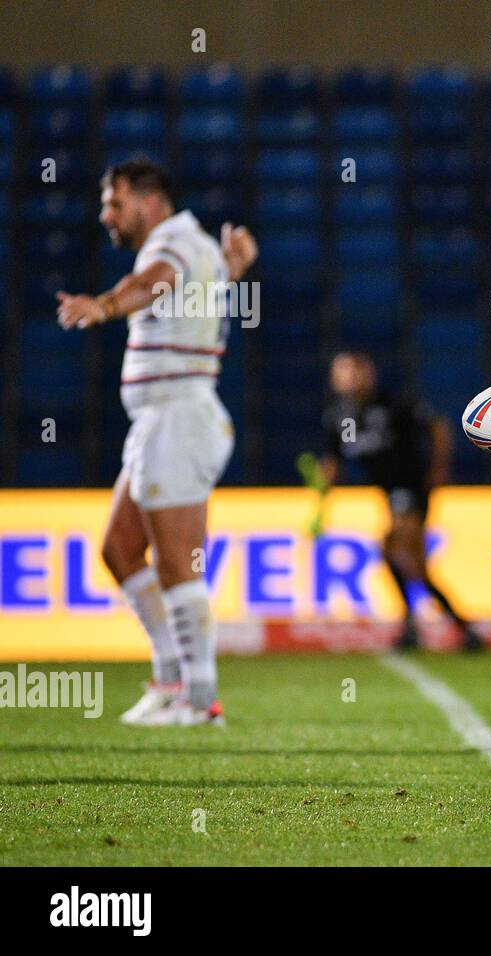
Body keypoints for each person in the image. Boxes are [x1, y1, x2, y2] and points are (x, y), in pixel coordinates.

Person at [57, 158, 258, 726]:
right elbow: (191, 290)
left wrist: (105, 305)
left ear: (148, 203)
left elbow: (157, 281)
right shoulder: (199, 247)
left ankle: (200, 699)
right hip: (162, 420)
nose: (106, 216)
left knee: (177, 566)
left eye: (114, 203)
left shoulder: (168, 246)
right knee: (118, 549)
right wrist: (230, 270)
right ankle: (172, 679)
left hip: (179, 416)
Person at [319, 351, 473, 650]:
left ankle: (416, 624)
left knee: (396, 550)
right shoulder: (337, 417)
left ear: (369, 374)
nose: (349, 380)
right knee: (407, 561)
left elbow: (439, 426)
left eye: (354, 372)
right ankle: (457, 626)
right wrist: (323, 481)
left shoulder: (393, 404)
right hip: (388, 493)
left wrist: (439, 468)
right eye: (342, 373)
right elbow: (333, 462)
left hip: (412, 486)